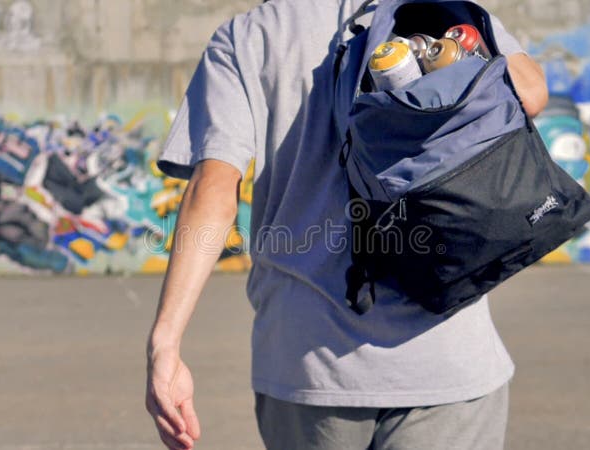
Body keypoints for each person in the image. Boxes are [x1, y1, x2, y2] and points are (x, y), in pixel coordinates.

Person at [145, 0, 549, 449]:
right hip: (446, 351)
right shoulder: (432, 8)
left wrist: (166, 343)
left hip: (306, 362)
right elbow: (530, 94)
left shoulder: (247, 36)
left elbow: (212, 189)